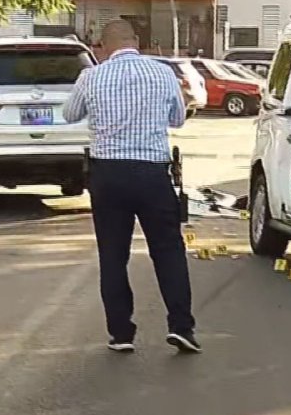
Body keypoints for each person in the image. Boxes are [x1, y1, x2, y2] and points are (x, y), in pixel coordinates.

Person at [63, 19, 200, 355]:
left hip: (107, 175)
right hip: (153, 173)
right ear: (136, 41)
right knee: (168, 250)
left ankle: (121, 333)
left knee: (113, 256)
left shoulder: (91, 76)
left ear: (104, 46)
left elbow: (69, 114)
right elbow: (178, 120)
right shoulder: (162, 73)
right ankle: (181, 327)